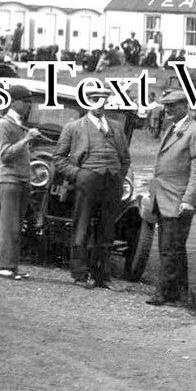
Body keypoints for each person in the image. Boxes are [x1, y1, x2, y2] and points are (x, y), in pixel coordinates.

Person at [52, 90, 131, 289]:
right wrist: (79, 174)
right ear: (87, 103)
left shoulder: (117, 127)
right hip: (87, 182)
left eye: (103, 101)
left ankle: (103, 277)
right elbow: (59, 159)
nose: (99, 105)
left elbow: (125, 158)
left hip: (111, 183)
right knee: (82, 226)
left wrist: (119, 177)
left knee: (107, 228)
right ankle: (80, 274)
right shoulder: (74, 127)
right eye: (95, 100)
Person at [146, 90, 196, 305]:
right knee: (174, 247)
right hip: (164, 197)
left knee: (169, 248)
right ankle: (180, 293)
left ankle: (164, 293)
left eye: (172, 106)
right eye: (166, 106)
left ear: (184, 106)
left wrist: (188, 200)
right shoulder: (172, 128)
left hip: (178, 199)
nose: (167, 110)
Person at [0, 85, 41, 280]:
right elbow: (4, 155)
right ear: (13, 102)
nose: (29, 105)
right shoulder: (4, 124)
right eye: (25, 101)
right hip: (8, 181)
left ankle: (11, 266)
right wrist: (27, 139)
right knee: (8, 226)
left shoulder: (18, 123)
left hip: (20, 181)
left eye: (29, 102)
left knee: (16, 226)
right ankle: (2, 265)